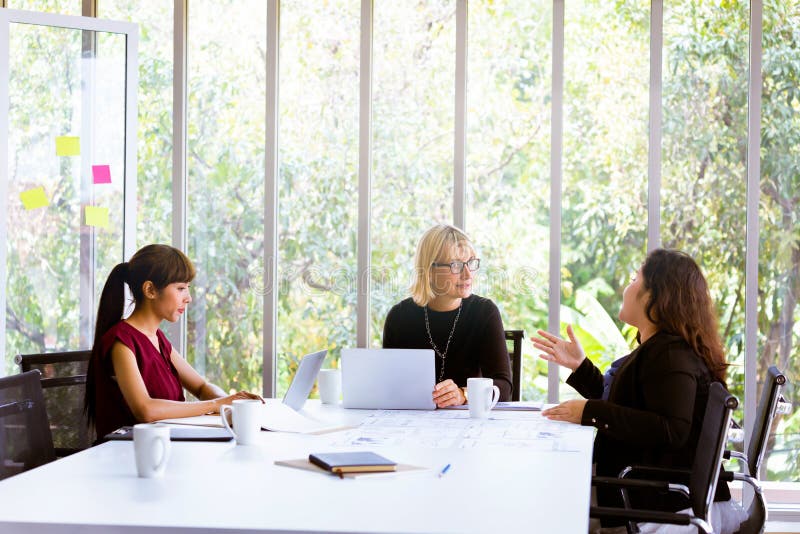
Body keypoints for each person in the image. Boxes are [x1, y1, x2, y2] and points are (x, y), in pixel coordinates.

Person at [532, 249, 742, 529]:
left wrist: (590, 412)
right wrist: (581, 368)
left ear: (655, 298)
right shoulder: (664, 349)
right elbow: (632, 406)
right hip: (646, 491)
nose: (625, 288)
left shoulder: (670, 354)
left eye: (634, 279)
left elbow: (671, 429)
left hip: (653, 502)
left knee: (543, 499)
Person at [85, 244, 262, 440]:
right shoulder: (121, 342)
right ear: (150, 290)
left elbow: (201, 387)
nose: (189, 298)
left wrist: (232, 405)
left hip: (163, 446)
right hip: (129, 454)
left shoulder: (157, 338)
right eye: (180, 288)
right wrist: (216, 405)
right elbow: (146, 410)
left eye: (188, 288)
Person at [382, 224, 512, 407]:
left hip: (467, 426)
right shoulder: (399, 317)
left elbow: (504, 386)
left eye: (471, 263)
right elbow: (389, 386)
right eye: (456, 265)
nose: (468, 274)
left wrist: (463, 394)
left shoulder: (484, 312)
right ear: (430, 270)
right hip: (413, 423)